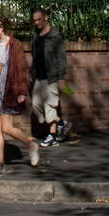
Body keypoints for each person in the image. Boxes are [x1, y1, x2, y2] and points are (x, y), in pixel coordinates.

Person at [0, 16, 39, 172]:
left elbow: (21, 69)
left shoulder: (15, 45)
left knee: (7, 128)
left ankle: (30, 145)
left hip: (8, 89)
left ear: (1, 29)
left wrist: (22, 91)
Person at [30, 8, 68, 147]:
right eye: (34, 20)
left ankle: (51, 137)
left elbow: (62, 57)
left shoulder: (55, 36)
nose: (36, 22)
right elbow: (34, 56)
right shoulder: (35, 35)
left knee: (50, 106)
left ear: (46, 18)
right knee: (35, 105)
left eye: (39, 19)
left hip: (51, 77)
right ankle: (61, 123)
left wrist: (61, 78)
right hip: (39, 76)